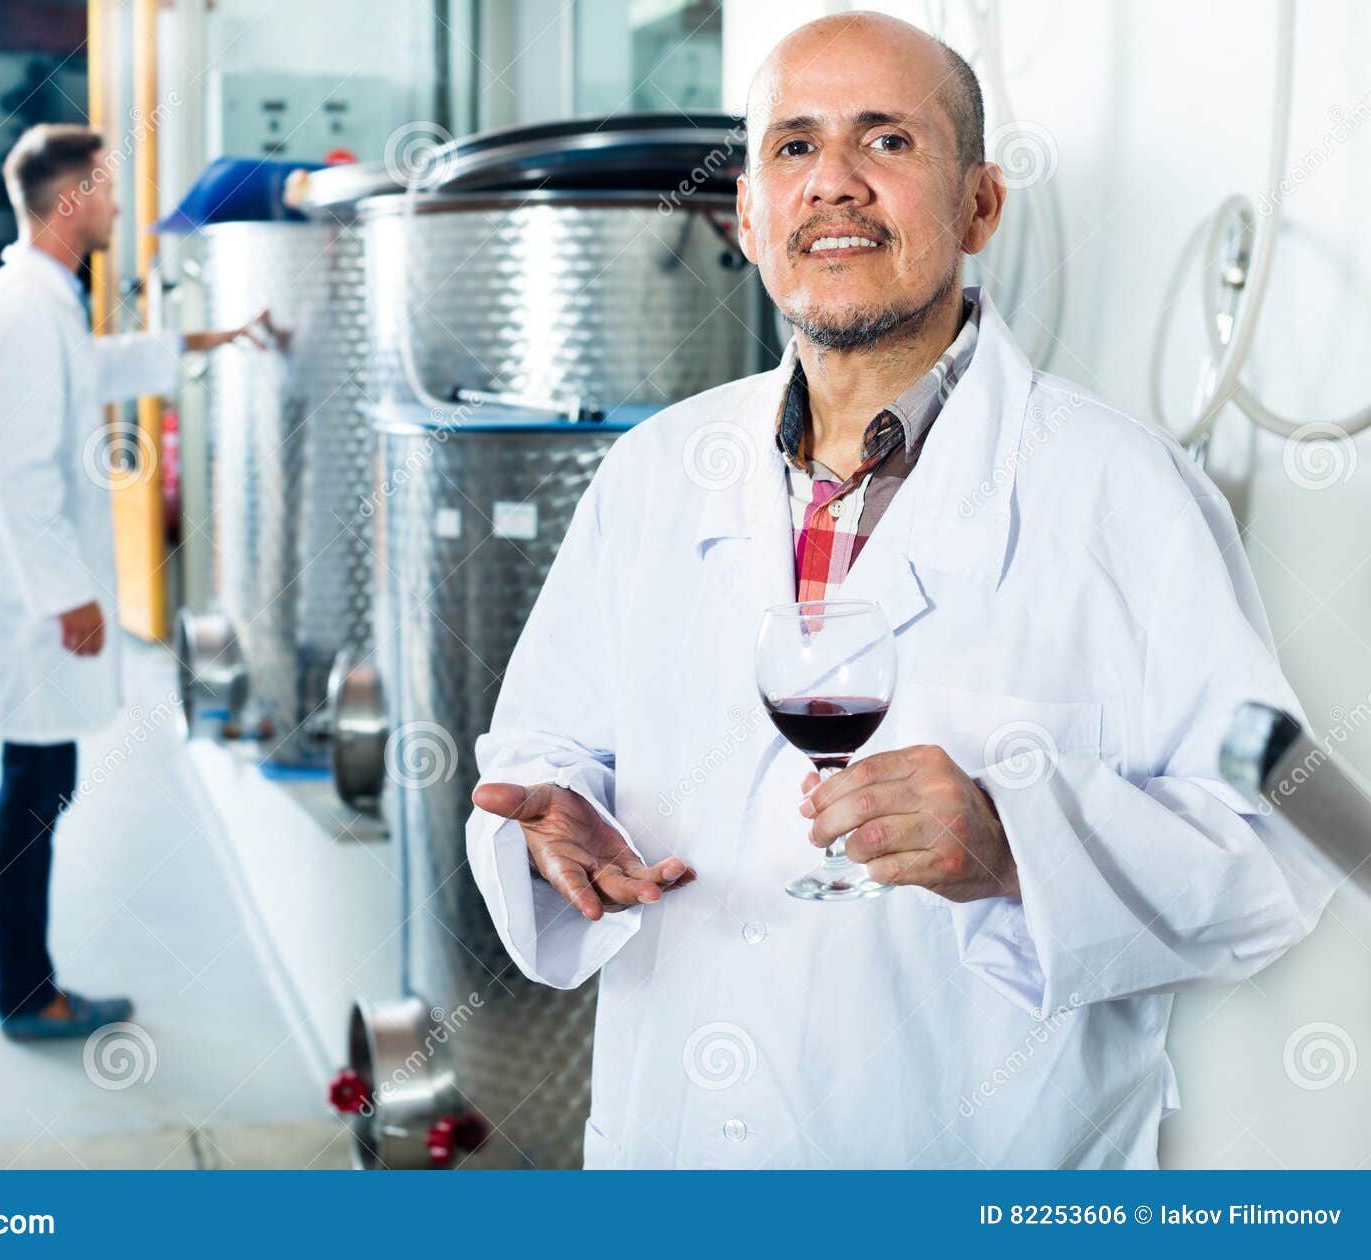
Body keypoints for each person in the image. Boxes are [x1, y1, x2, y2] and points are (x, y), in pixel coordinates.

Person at [466, 13, 1335, 1167]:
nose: (833, 181)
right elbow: (543, 747)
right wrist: (556, 826)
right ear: (748, 217)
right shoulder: (656, 472)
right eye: (793, 146)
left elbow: (1285, 847)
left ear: (979, 204)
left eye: (885, 140)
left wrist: (1018, 844)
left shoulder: (1125, 493)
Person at [0, 124, 272, 1040]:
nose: (117, 204)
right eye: (105, 187)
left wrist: (205, 338)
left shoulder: (37, 297)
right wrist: (68, 597)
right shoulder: (22, 308)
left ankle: (13, 971)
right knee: (34, 788)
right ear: (70, 201)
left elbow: (90, 370)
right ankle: (26, 992)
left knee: (37, 783)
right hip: (27, 595)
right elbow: (18, 472)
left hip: (28, 583)